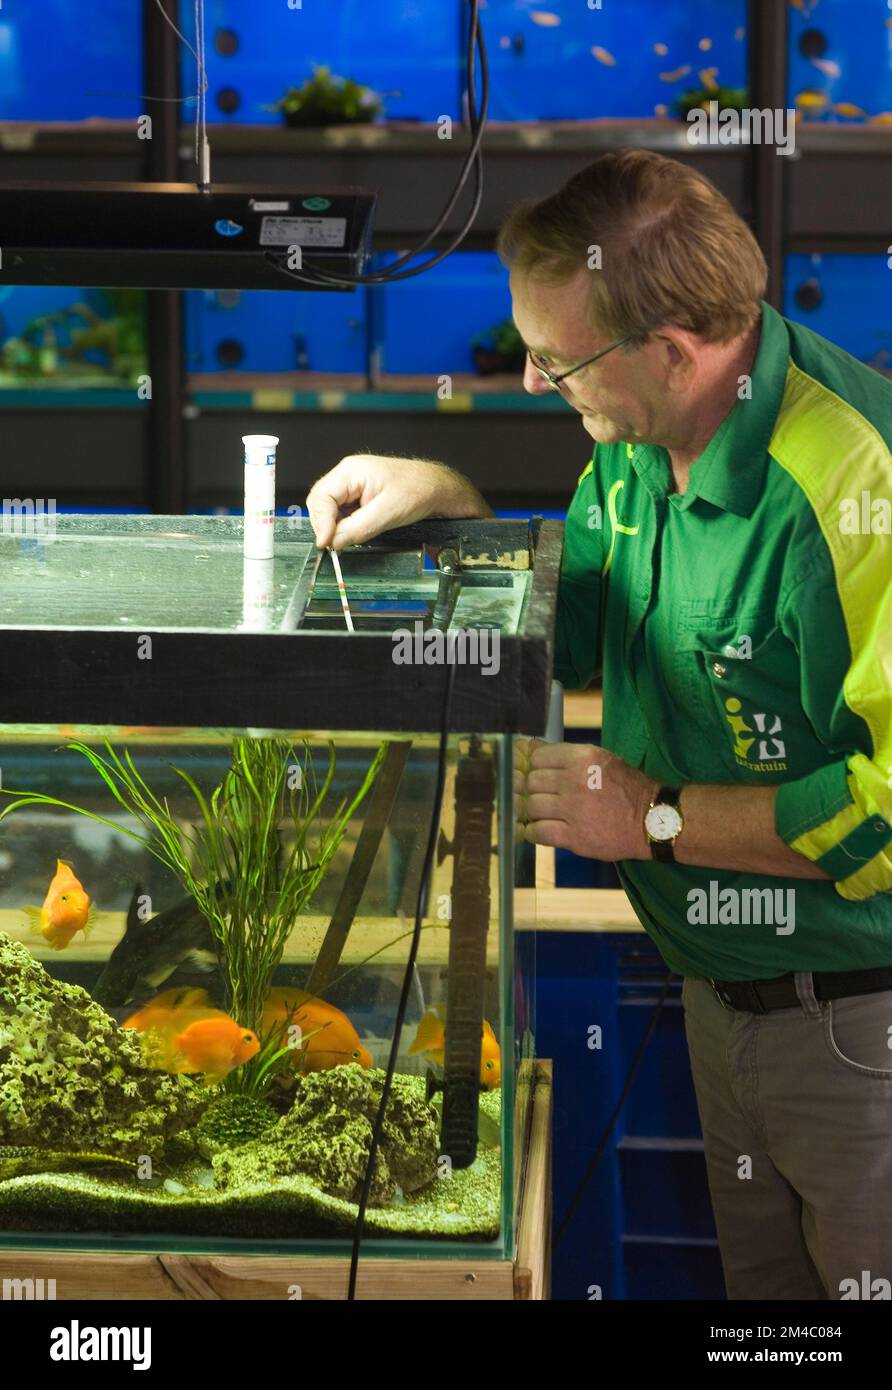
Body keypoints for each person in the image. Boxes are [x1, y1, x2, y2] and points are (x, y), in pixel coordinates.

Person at [307, 149, 892, 1301]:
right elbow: (583, 626)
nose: (530, 381)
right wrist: (450, 501)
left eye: (555, 358)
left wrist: (652, 814)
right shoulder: (631, 447)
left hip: (855, 1031)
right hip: (722, 999)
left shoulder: (851, 488)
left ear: (671, 351)